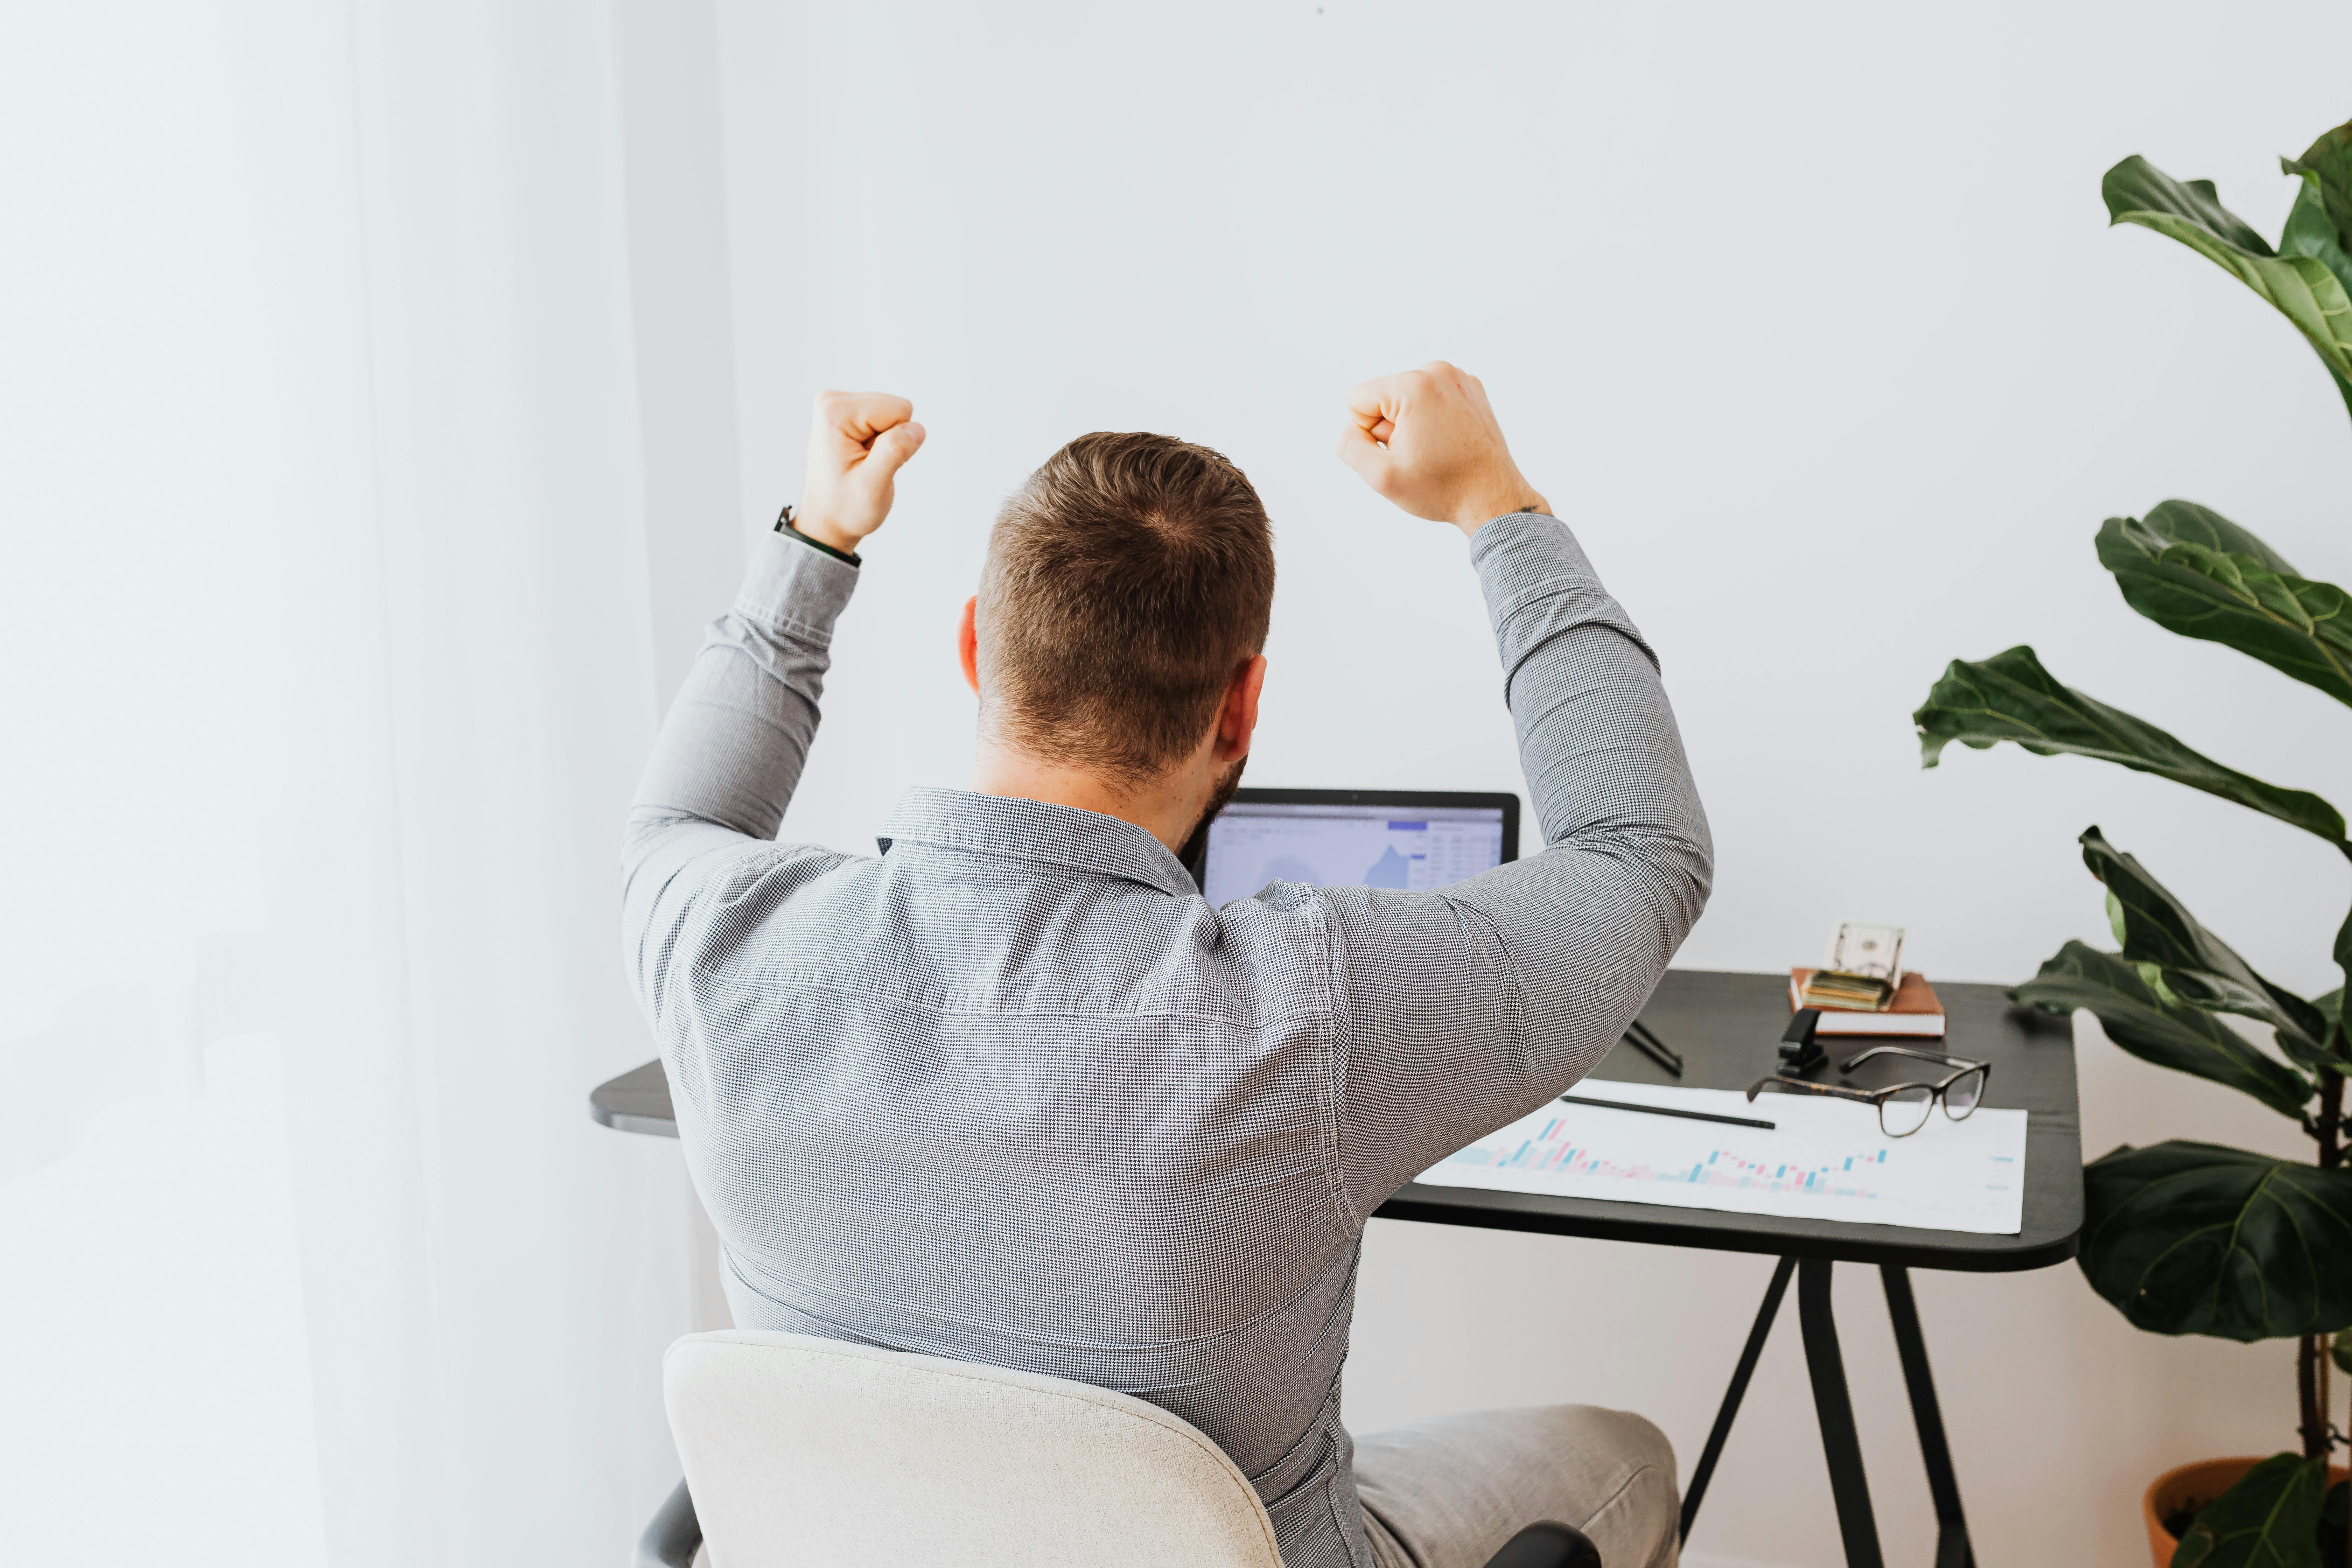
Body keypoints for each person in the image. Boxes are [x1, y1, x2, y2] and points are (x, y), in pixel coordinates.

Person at [623, 363, 1712, 1568]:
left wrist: (816, 539)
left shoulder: (716, 947)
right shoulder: (1315, 1007)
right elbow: (1639, 851)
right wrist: (1492, 502)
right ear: (1240, 711)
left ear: (978, 648)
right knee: (1619, 1454)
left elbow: (679, 816)